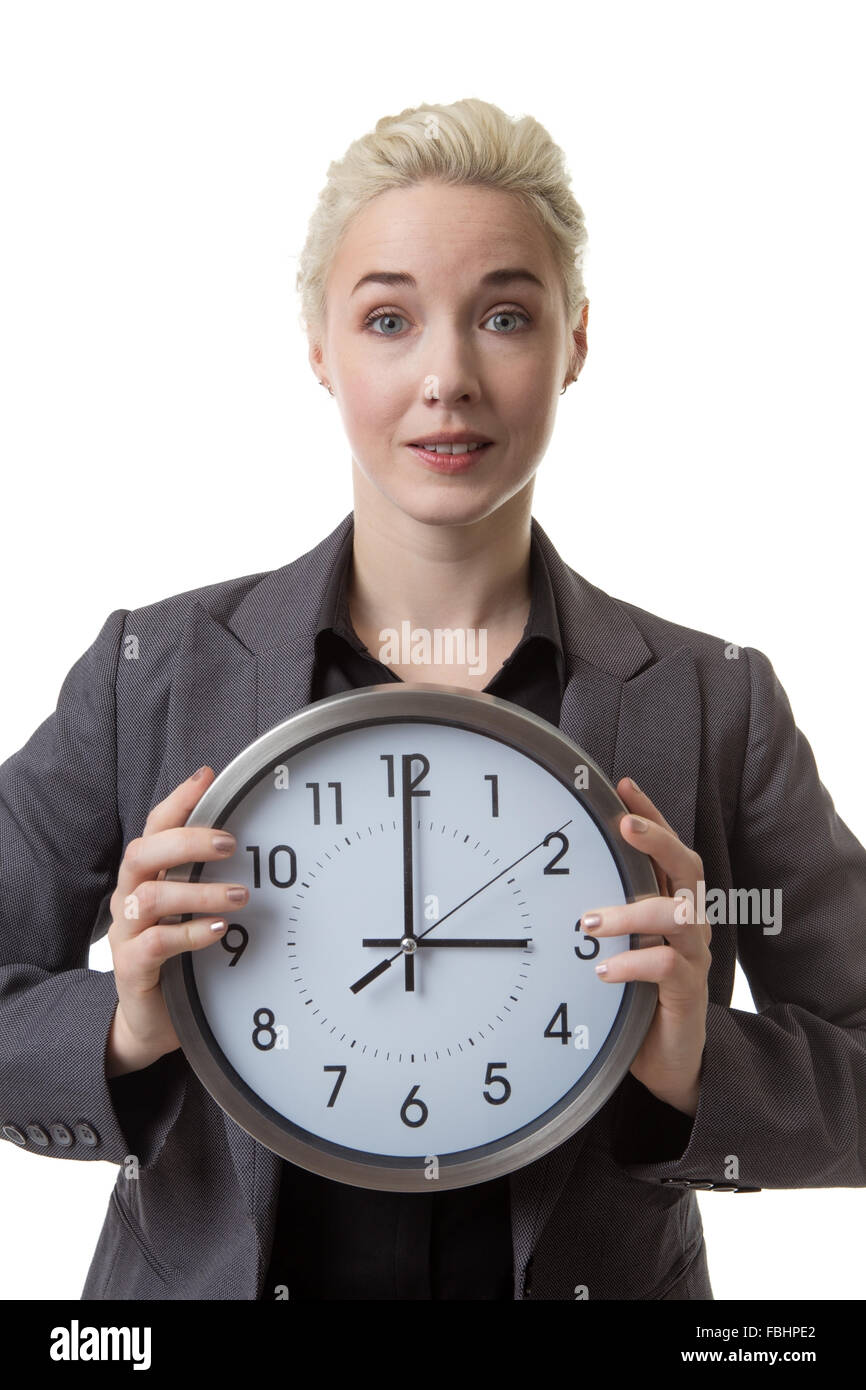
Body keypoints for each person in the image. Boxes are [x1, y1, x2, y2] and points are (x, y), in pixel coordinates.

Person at [1, 98, 864, 1302]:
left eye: (504, 315)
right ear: (320, 347)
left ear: (573, 341)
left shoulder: (717, 704)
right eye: (389, 319)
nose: (446, 376)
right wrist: (125, 1026)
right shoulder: (151, 669)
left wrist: (694, 1060)